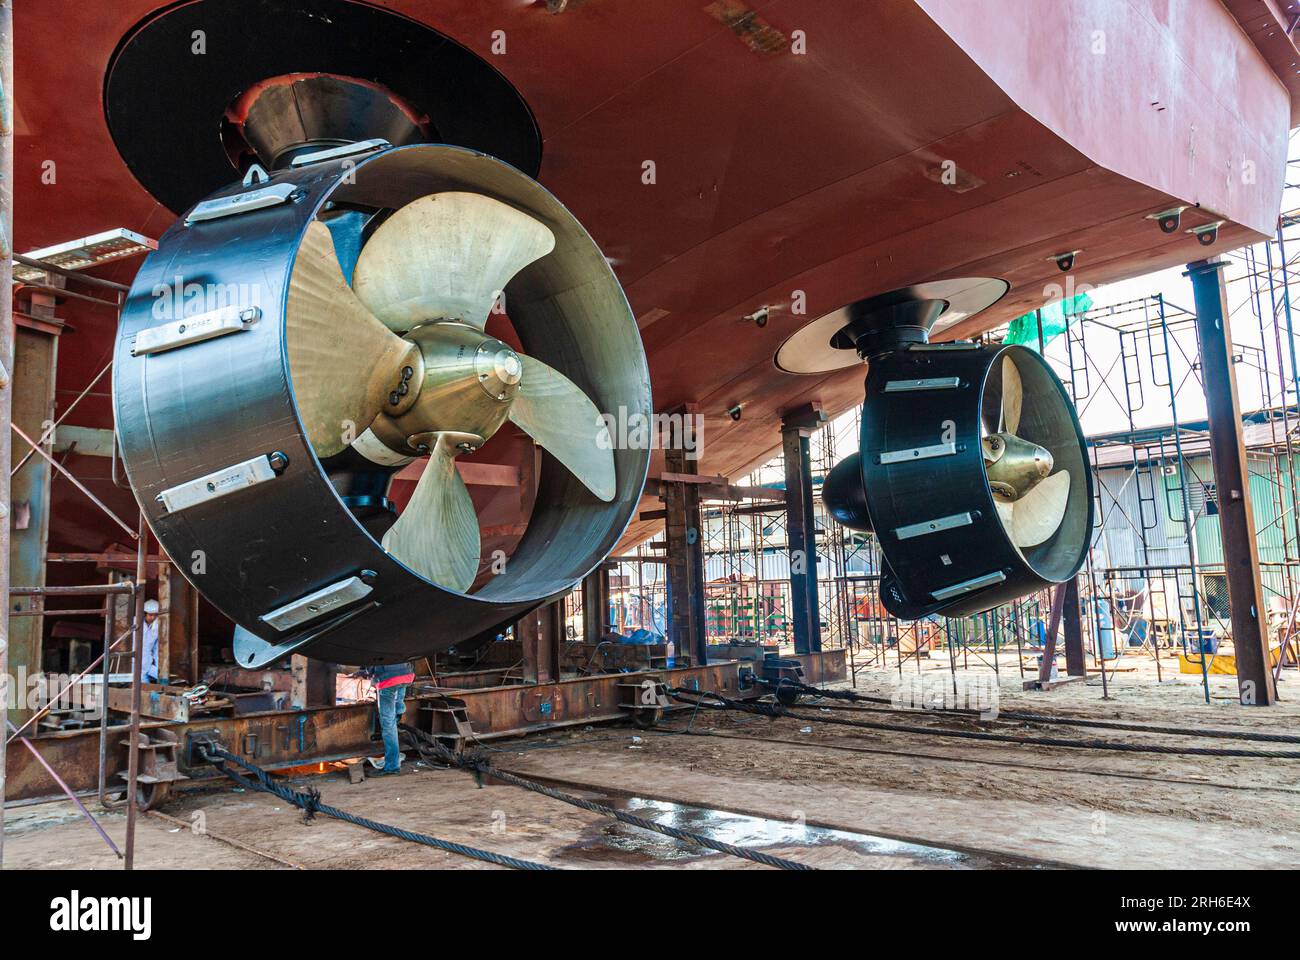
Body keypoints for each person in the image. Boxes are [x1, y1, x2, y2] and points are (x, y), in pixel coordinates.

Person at [366, 661, 415, 776]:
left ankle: (392, 766)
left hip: (388, 680)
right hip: (407, 675)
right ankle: (398, 712)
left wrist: (369, 673)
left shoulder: (370, 643)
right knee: (397, 706)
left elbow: (369, 662)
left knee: (388, 724)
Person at [141, 599, 161, 684]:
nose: (153, 618)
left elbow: (156, 649)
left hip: (148, 663)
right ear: (144, 614)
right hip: (134, 664)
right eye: (150, 615)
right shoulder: (134, 623)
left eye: (156, 615)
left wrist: (159, 666)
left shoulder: (156, 626)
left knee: (164, 678)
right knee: (143, 688)